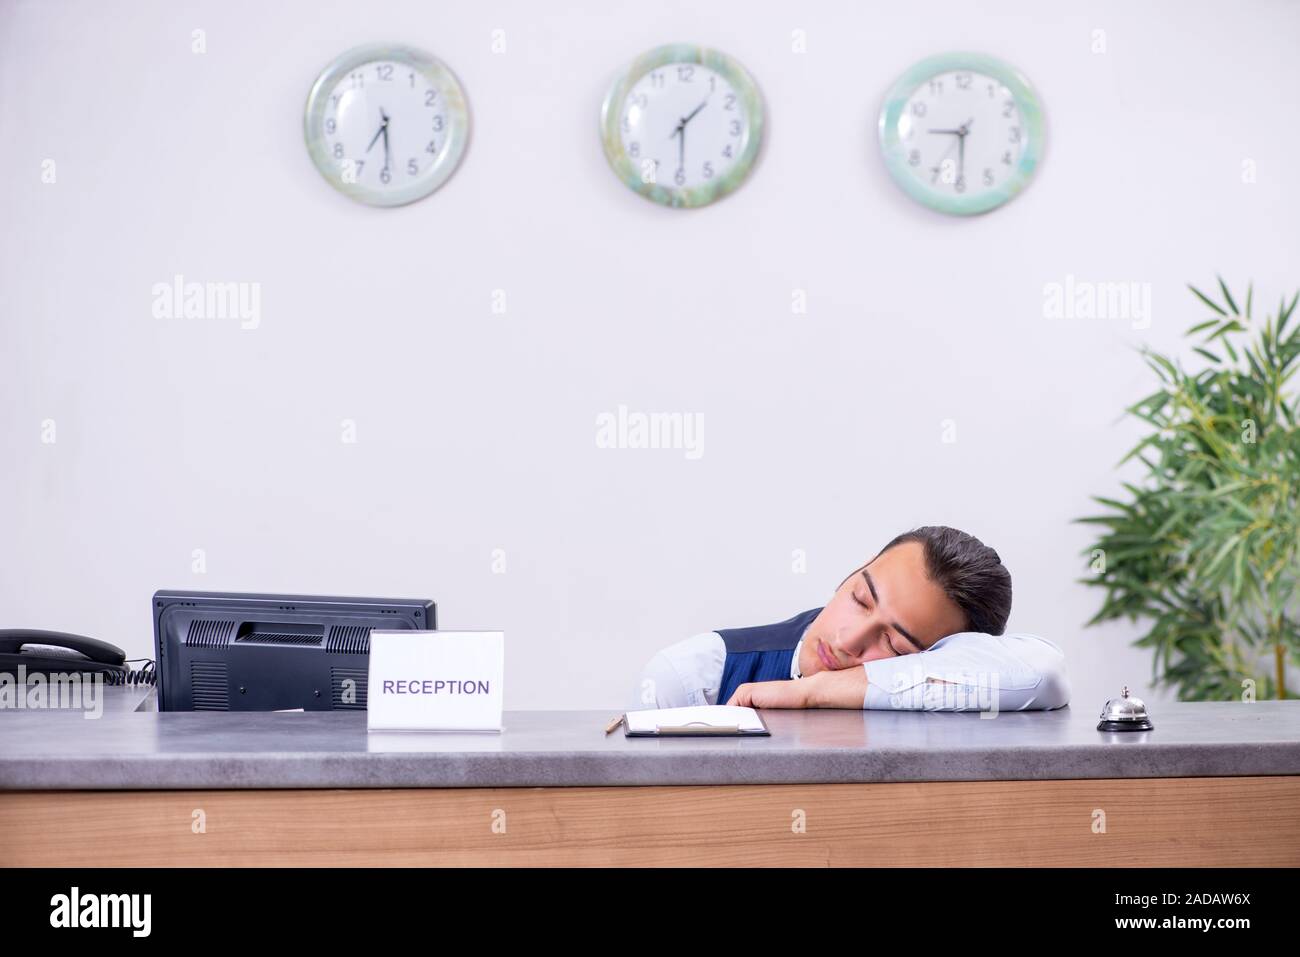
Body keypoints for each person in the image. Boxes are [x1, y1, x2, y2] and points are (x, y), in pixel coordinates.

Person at [634, 525, 1069, 712]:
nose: (849, 640)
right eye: (861, 598)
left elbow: (1043, 674)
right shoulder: (693, 676)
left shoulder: (958, 690)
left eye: (896, 646)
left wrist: (816, 692)